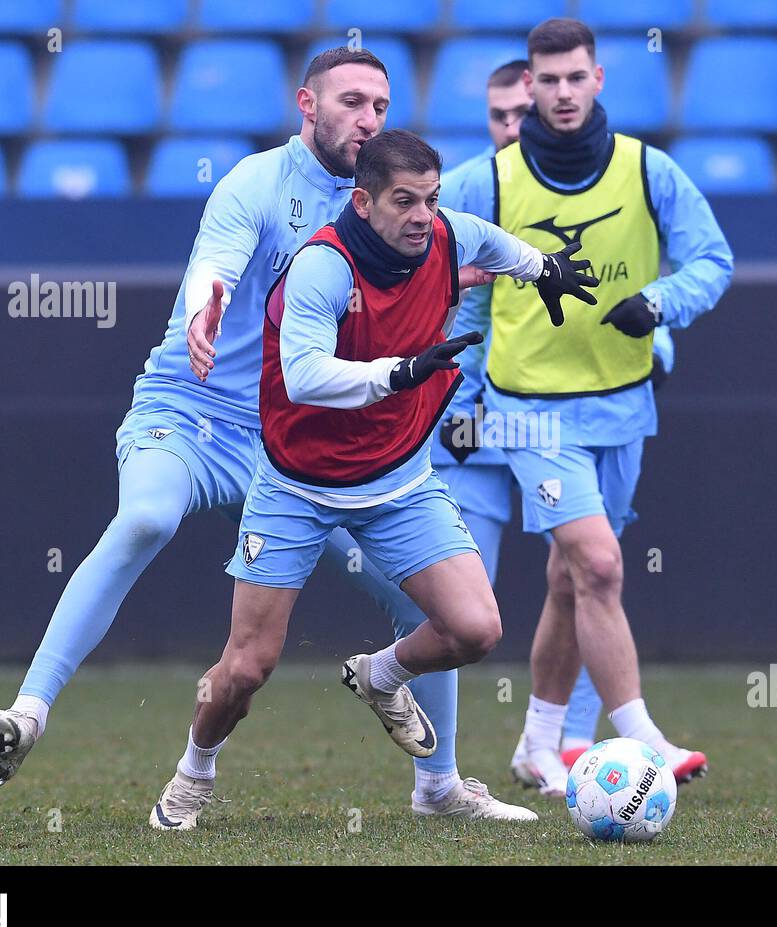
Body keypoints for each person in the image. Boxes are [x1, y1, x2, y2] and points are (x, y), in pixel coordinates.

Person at [0, 49, 529, 819]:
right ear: (308, 104)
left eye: (380, 103)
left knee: (428, 606)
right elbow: (217, 264)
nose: (368, 118)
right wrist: (209, 302)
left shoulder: (393, 205)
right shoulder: (256, 183)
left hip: (303, 447)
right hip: (196, 411)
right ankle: (28, 713)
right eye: (351, 101)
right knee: (146, 517)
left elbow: (458, 254)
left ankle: (438, 787)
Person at [147, 129, 599, 829]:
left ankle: (381, 677)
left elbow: (494, 244)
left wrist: (543, 269)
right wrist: (400, 372)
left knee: (476, 629)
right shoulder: (322, 266)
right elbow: (303, 376)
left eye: (431, 198)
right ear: (363, 202)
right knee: (246, 669)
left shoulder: (446, 232)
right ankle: (193, 772)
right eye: (404, 201)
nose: (423, 215)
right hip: (296, 482)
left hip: (398, 479)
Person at [441, 18, 734, 796]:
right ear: (527, 87)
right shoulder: (486, 182)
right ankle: (642, 736)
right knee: (601, 564)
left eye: (577, 78)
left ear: (598, 80)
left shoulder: (650, 170)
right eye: (549, 80)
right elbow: (457, 304)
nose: (563, 93)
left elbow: (713, 259)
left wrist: (662, 303)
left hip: (622, 407)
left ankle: (538, 744)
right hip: (528, 410)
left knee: (573, 580)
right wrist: (455, 398)